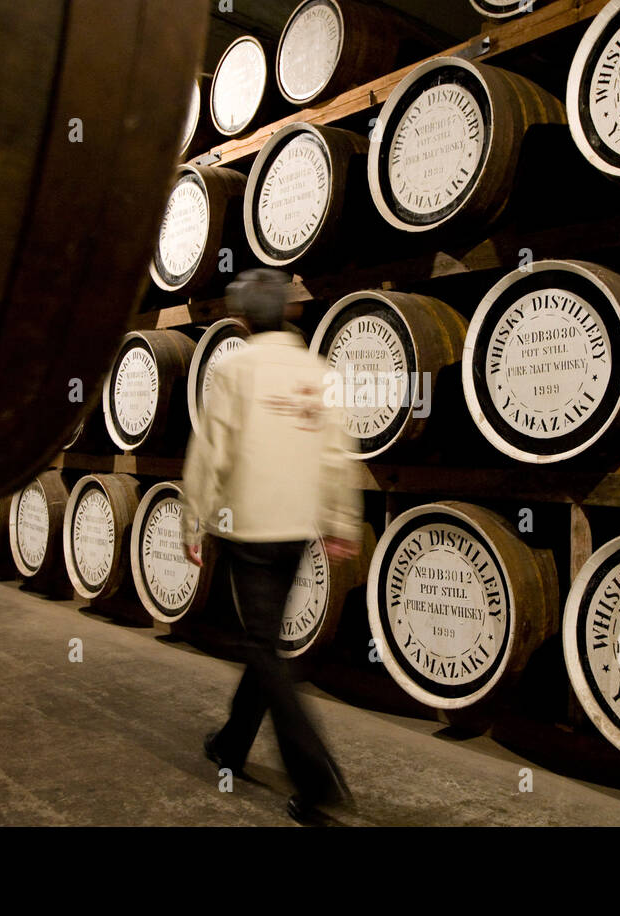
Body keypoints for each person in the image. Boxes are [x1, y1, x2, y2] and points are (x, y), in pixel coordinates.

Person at [181, 268, 363, 825]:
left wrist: (194, 520)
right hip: (296, 527)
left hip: (249, 527)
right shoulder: (315, 369)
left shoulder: (235, 367)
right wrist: (341, 519)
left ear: (241, 318)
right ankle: (232, 744)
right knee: (264, 642)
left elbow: (212, 449)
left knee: (263, 649)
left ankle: (317, 781)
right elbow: (337, 451)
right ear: (287, 311)